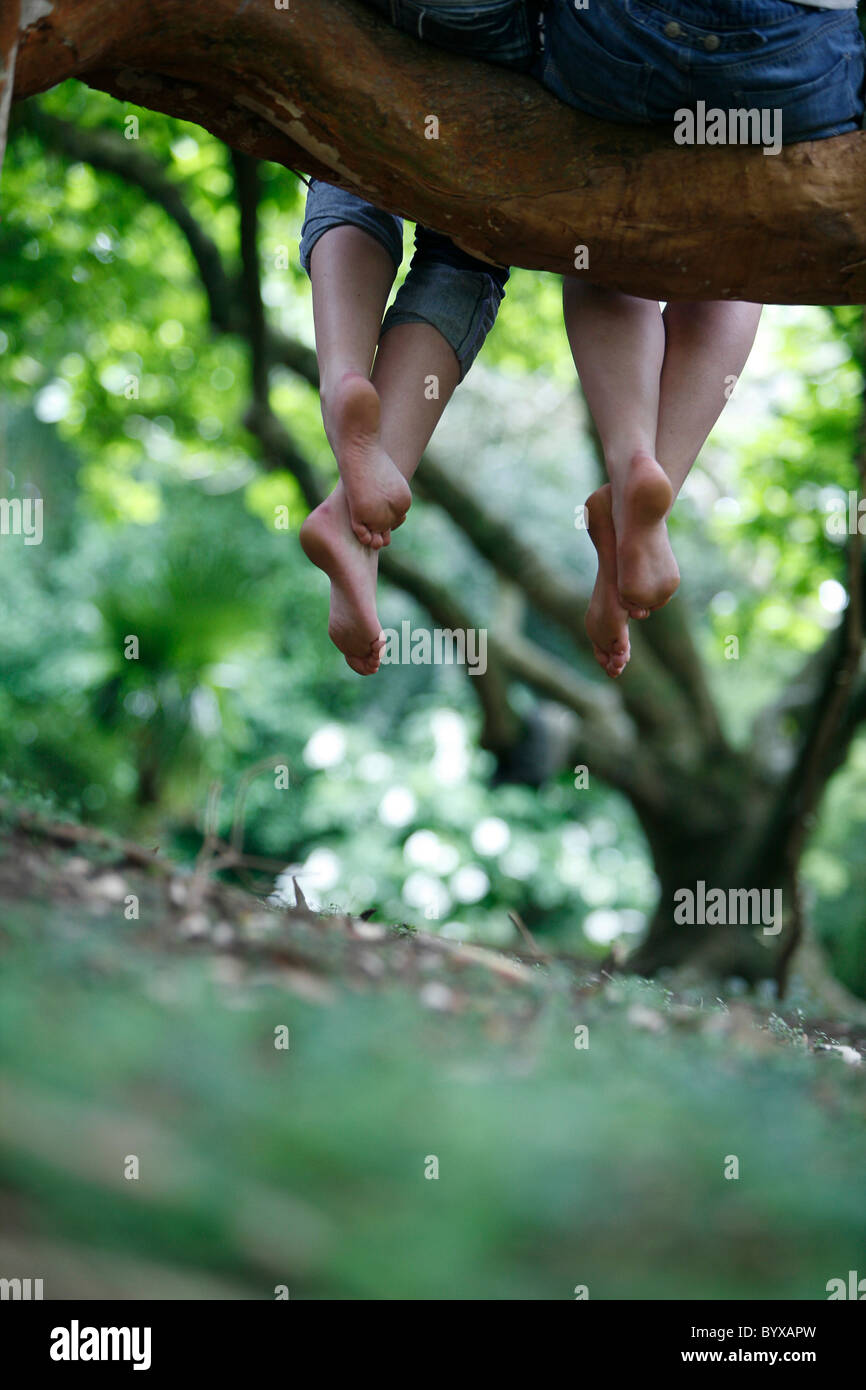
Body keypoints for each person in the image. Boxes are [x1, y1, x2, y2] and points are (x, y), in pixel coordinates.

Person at [299, 0, 866, 677]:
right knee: (687, 234)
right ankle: (640, 469)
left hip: (596, 35)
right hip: (791, 65)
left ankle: (344, 385)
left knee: (362, 132)